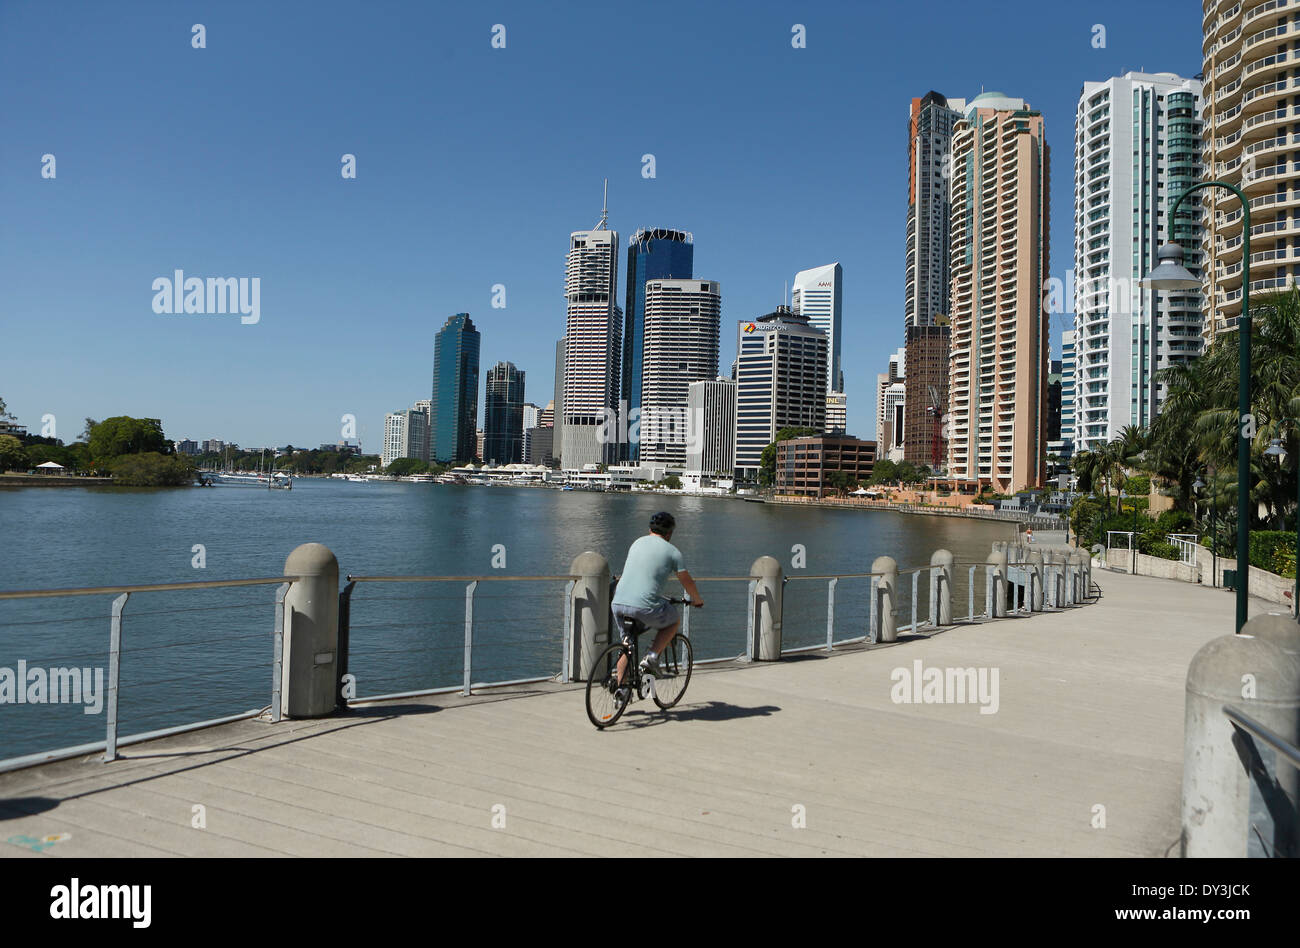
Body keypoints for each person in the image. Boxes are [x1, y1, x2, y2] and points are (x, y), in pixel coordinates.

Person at [611, 511, 703, 684]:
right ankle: (652, 657)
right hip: (643, 605)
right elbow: (686, 581)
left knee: (627, 644)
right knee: (674, 620)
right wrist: (697, 599)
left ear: (649, 529)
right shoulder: (673, 552)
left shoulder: (637, 543)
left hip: (618, 602)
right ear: (670, 533)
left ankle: (620, 689)